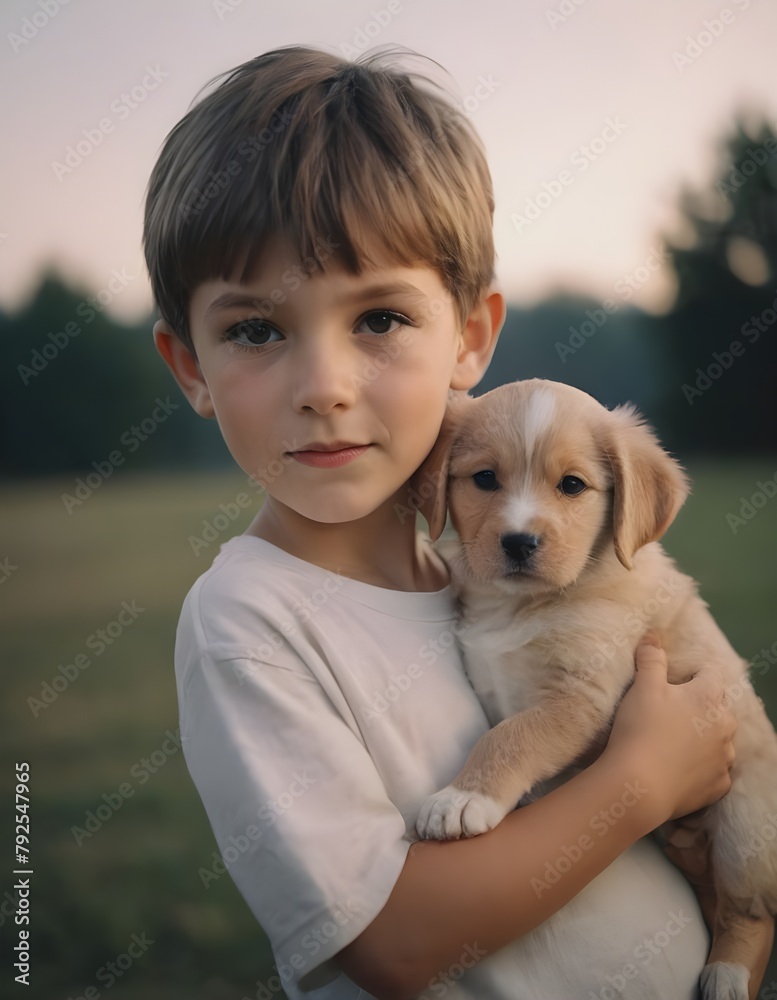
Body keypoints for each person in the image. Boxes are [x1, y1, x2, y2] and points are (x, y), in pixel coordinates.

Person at [143, 46, 771, 999]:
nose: (324, 389)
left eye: (380, 318)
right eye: (256, 330)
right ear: (189, 366)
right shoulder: (247, 625)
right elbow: (390, 946)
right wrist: (643, 781)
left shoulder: (478, 583)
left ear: (471, 337)